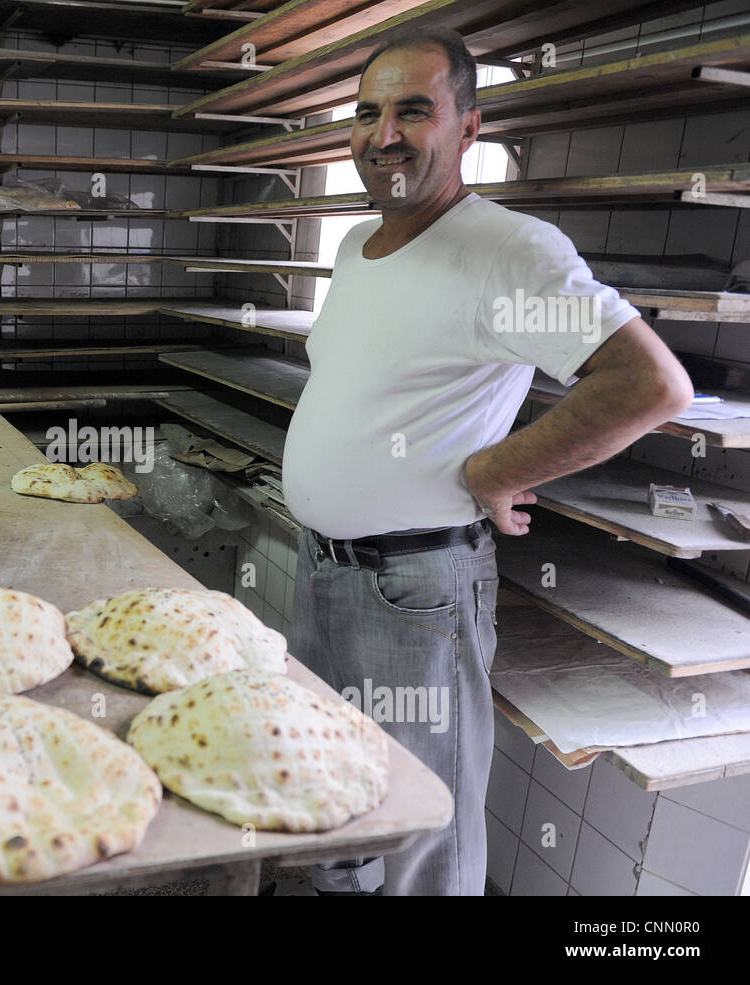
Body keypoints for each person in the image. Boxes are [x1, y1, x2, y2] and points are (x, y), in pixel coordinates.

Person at [281, 26, 693, 896]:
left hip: (413, 589)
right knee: (333, 803)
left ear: (469, 128)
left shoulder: (505, 250)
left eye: (414, 111)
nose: (383, 134)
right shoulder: (359, 246)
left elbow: (648, 382)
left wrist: (494, 471)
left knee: (421, 828)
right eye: (368, 112)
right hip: (320, 569)